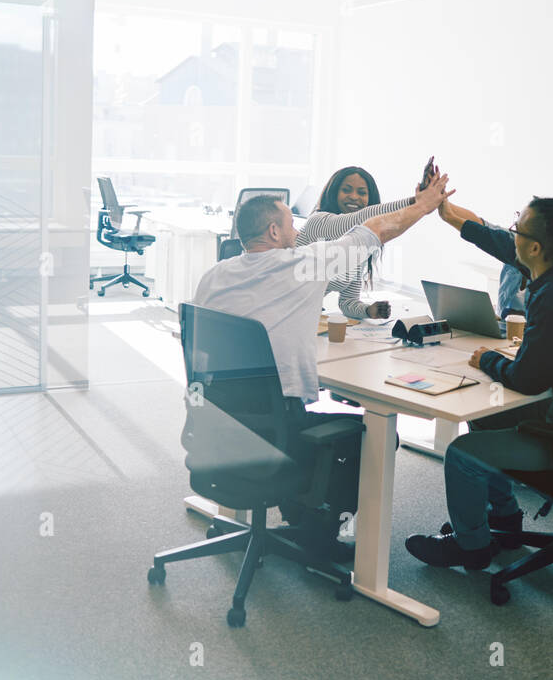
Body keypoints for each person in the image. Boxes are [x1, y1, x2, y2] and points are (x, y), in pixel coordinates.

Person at [194, 175, 453, 559]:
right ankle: (319, 530)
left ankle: (297, 516)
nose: (297, 230)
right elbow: (378, 228)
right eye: (291, 224)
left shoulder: (215, 274)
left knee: (301, 422)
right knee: (373, 436)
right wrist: (424, 205)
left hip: (218, 427)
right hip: (276, 432)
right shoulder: (304, 264)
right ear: (273, 230)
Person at [404, 197, 553, 570]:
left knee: (462, 455)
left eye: (517, 229)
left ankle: (472, 547)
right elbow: (499, 245)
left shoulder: (552, 297)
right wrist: (453, 218)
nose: (510, 235)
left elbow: (527, 380)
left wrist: (488, 359)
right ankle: (505, 518)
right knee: (485, 418)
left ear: (535, 248)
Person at [295, 161, 437, 320]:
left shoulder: (359, 245)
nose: (354, 197)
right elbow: (360, 219)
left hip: (302, 315)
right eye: (346, 190)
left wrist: (369, 310)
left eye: (362, 192)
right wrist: (418, 202)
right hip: (282, 310)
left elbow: (348, 301)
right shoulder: (318, 222)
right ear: (333, 193)